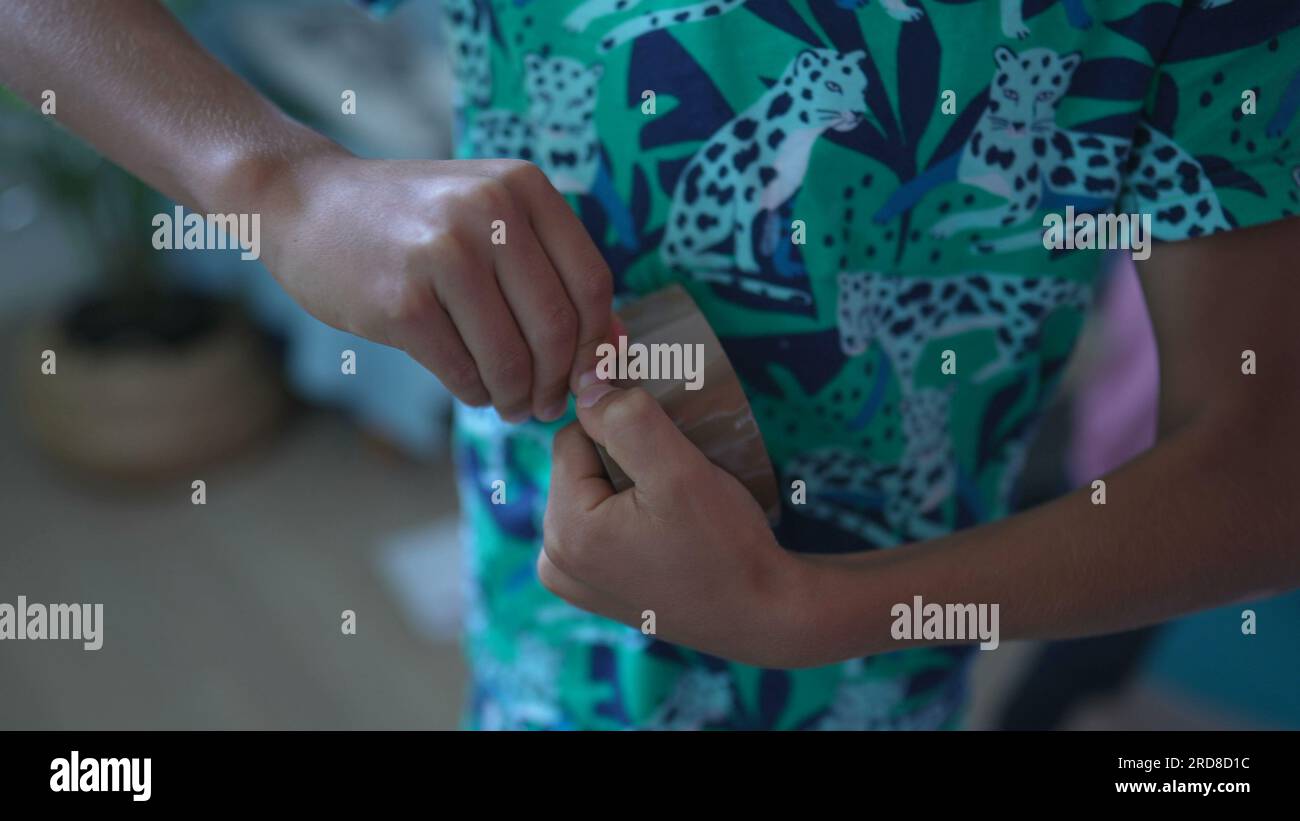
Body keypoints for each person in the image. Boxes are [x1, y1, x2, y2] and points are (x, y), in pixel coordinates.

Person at [4, 0, 1297, 730]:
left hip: (895, 670)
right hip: (546, 628)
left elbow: (1263, 467)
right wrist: (277, 182)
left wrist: (818, 612)